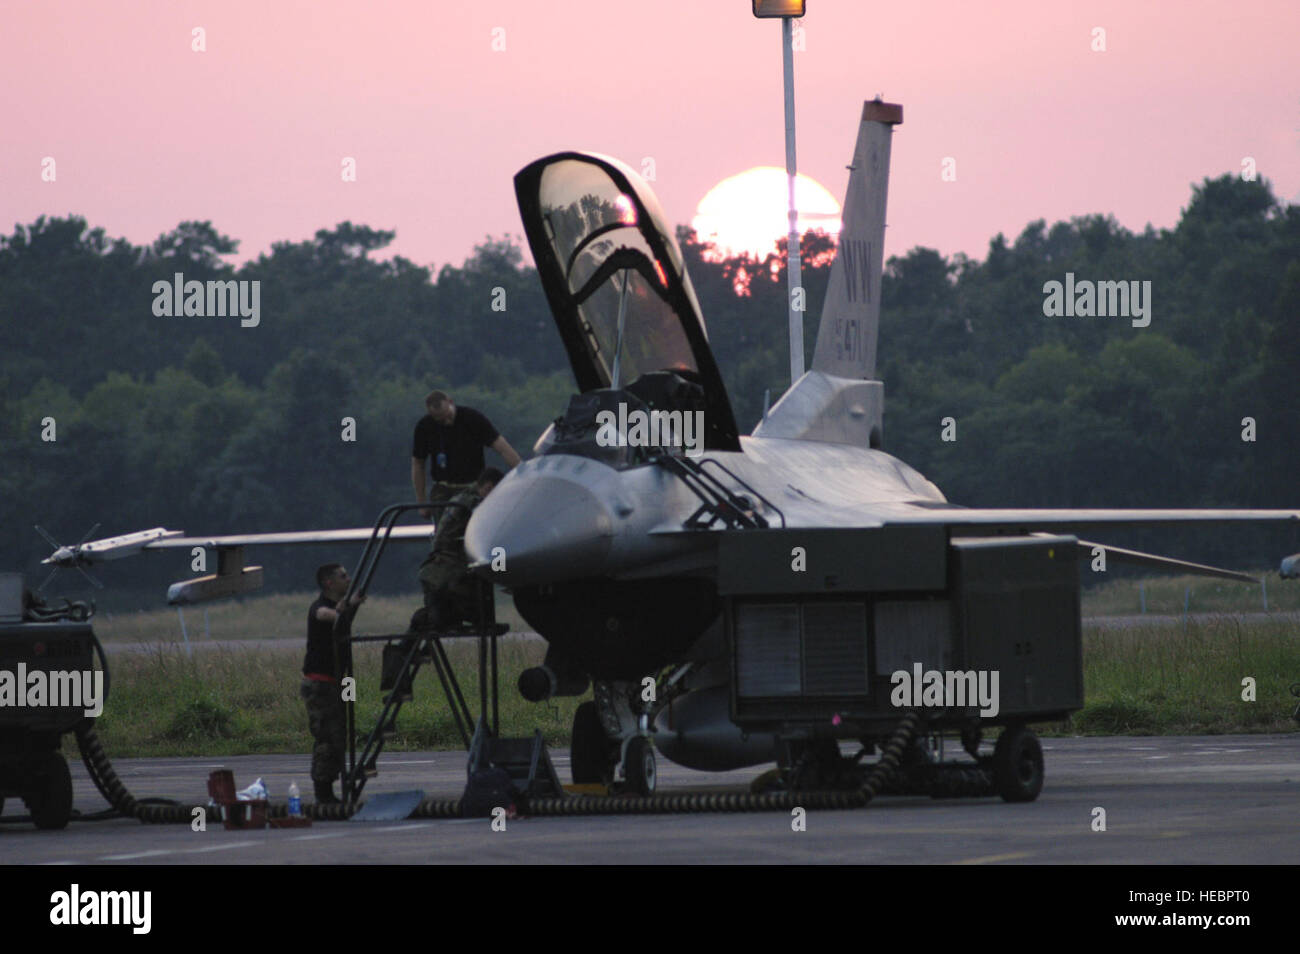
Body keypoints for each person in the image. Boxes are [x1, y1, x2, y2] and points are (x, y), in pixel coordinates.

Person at [301, 563, 364, 804]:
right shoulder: (319, 608)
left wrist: (352, 603)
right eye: (343, 576)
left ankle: (331, 786)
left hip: (340, 682)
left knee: (339, 734)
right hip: (321, 684)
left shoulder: (335, 608)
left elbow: (342, 618)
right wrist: (350, 604)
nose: (347, 579)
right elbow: (332, 616)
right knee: (327, 737)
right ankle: (323, 792)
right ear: (329, 583)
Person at [411, 390, 520, 520]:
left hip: (472, 487)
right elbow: (418, 464)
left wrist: (523, 473)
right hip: (442, 490)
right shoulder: (424, 427)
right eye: (440, 420)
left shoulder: (472, 419)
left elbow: (503, 448)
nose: (447, 422)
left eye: (448, 416)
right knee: (445, 531)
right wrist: (421, 503)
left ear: (450, 402)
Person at [418, 467, 505, 629]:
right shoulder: (470, 501)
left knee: (443, 620)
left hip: (444, 567)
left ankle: (483, 621)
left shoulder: (464, 497)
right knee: (438, 620)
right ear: (488, 487)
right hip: (446, 568)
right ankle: (484, 622)